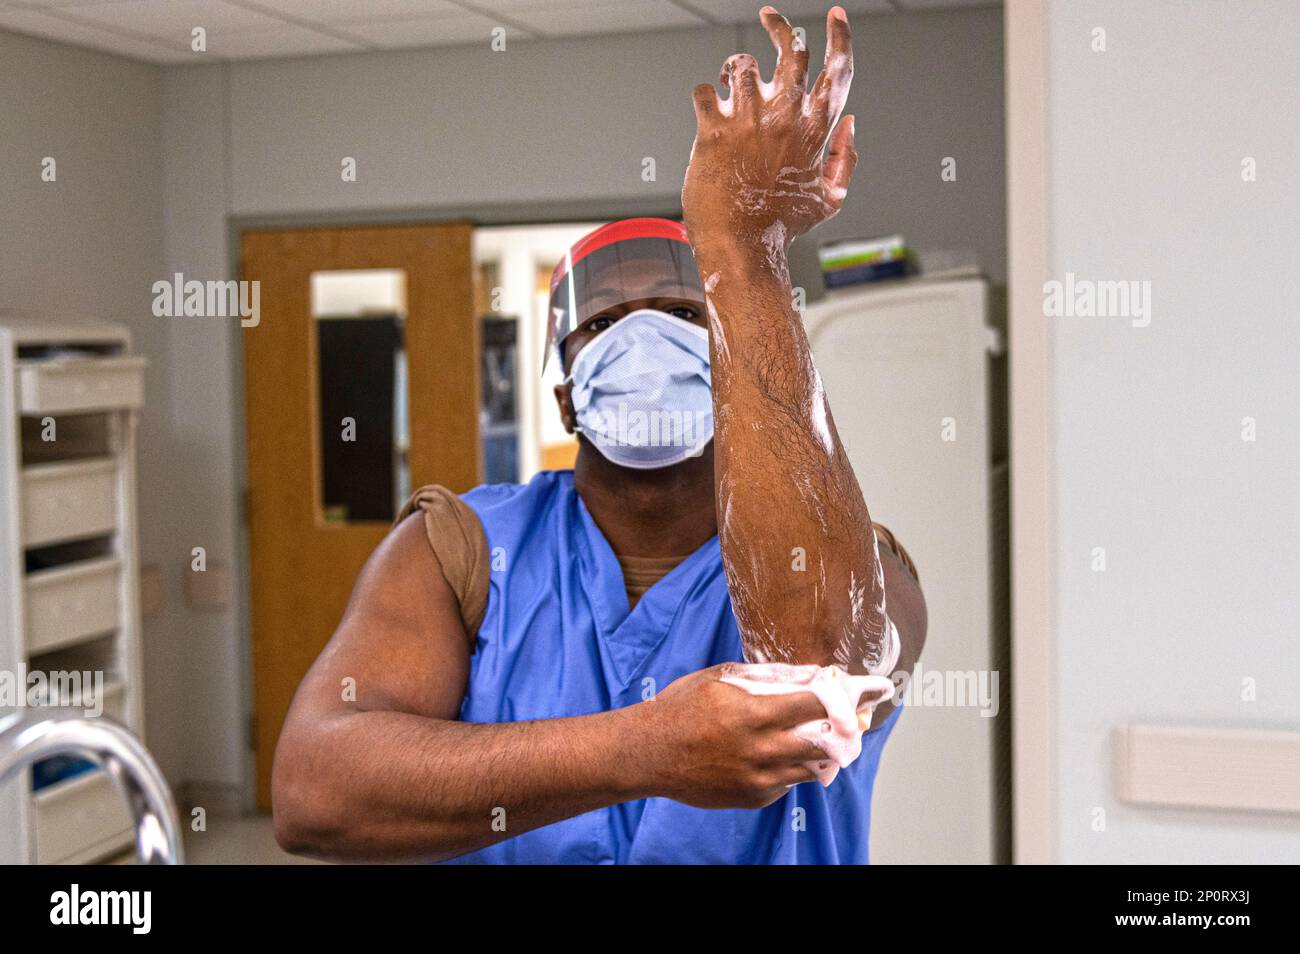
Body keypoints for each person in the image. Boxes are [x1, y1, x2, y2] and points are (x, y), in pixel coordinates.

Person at [272, 4, 925, 864]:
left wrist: (745, 249)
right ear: (566, 397)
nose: (643, 336)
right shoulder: (461, 551)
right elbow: (315, 792)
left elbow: (819, 674)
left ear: (732, 372)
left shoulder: (846, 559)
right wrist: (647, 747)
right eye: (607, 322)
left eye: (682, 312)